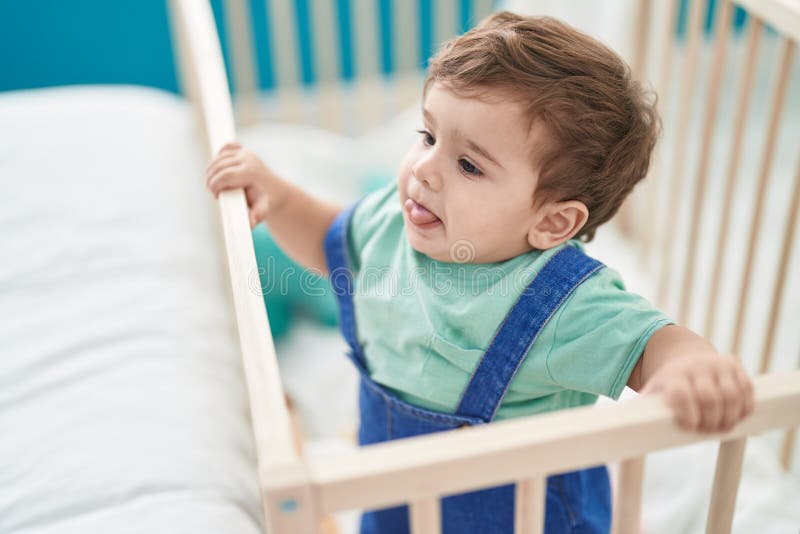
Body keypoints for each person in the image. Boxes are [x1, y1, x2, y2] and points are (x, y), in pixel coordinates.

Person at [206, 12, 754, 533]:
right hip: (392, 505)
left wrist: (692, 368)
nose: (424, 169)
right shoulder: (389, 225)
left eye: (468, 164)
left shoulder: (561, 305)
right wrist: (276, 197)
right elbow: (331, 241)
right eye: (427, 137)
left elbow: (653, 344)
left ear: (552, 221)